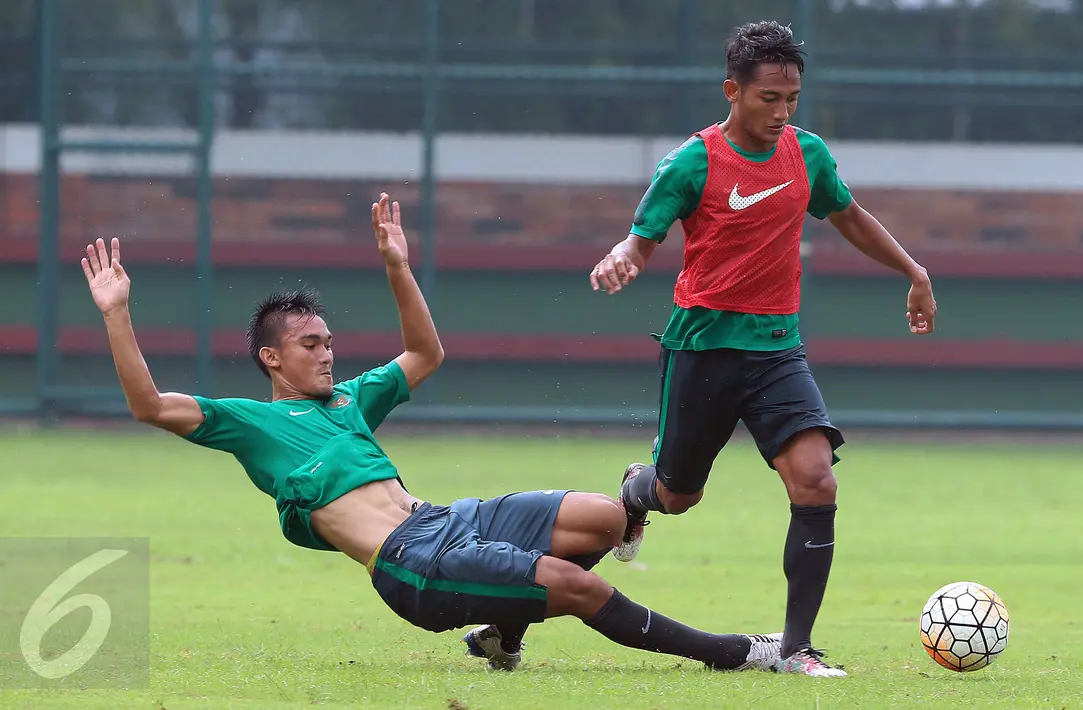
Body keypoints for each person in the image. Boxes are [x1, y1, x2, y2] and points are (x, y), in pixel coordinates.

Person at [82, 192, 784, 673]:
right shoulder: (254, 423)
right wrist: (116, 311)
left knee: (602, 519)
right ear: (272, 358)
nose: (327, 353)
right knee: (573, 585)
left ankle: (502, 633)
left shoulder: (350, 400)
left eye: (329, 341)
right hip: (409, 565)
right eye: (309, 345)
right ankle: (735, 652)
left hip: (446, 520)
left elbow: (424, 355)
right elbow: (148, 404)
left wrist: (397, 266)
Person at [588, 21, 938, 677]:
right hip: (702, 349)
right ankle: (636, 494)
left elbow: (848, 215)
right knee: (676, 496)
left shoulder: (807, 156)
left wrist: (912, 272)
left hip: (777, 349)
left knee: (815, 479)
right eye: (767, 98)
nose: (781, 113)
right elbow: (643, 237)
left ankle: (796, 648)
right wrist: (623, 256)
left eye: (791, 99)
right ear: (732, 90)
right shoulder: (692, 161)